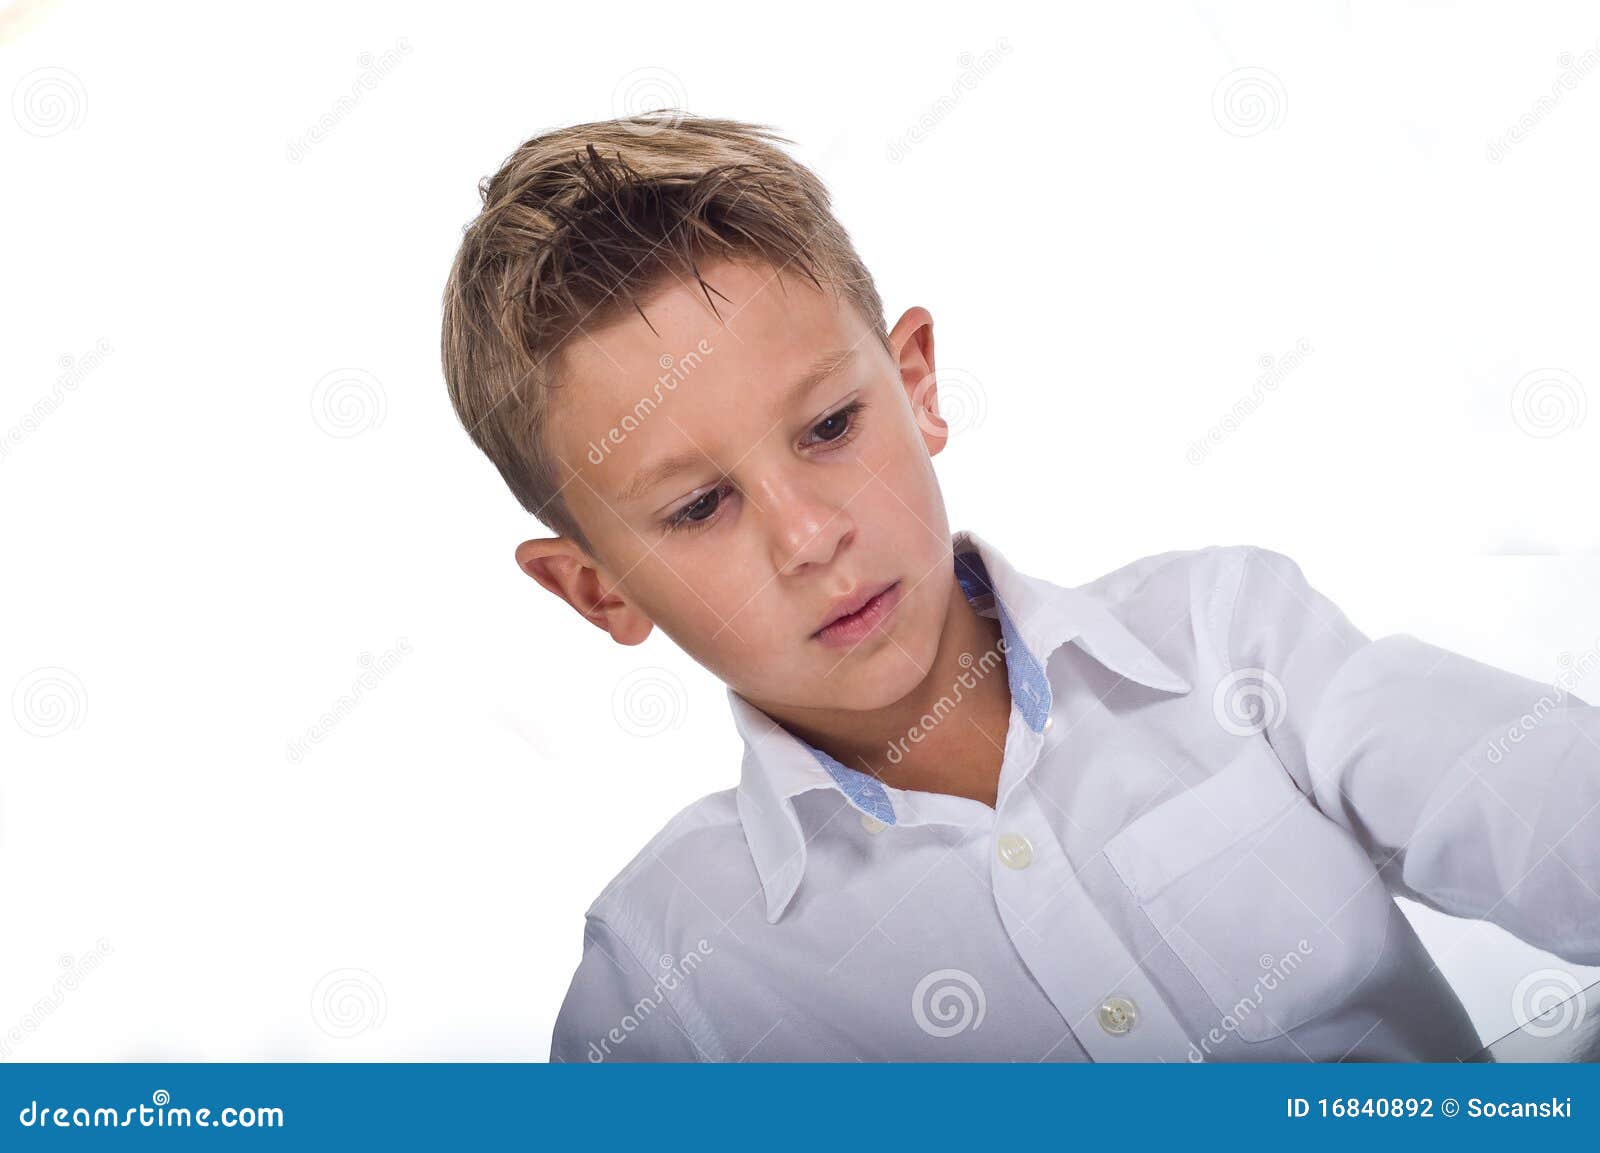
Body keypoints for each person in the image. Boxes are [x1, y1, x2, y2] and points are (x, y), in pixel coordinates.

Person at [438, 112, 1600, 1061]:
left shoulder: (1226, 641)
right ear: (594, 592)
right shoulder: (661, 974)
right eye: (699, 507)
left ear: (917, 383)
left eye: (831, 425)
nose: (806, 536)